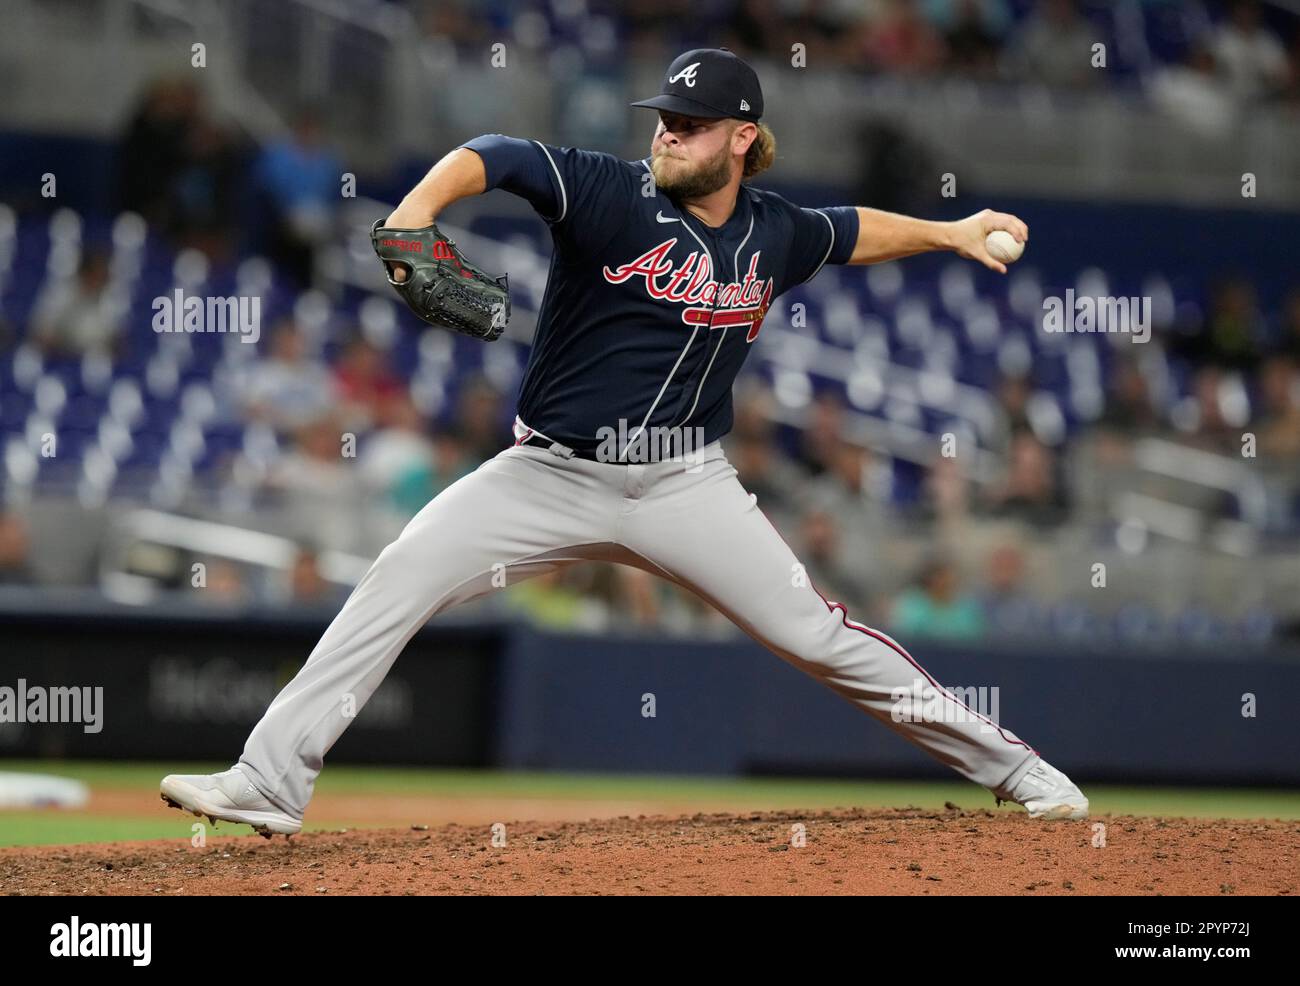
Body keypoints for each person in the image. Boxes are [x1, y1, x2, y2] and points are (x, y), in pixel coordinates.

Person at [161, 48, 1085, 836]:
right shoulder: (609, 194)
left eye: (690, 122)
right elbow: (498, 155)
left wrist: (950, 230)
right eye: (664, 118)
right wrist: (413, 214)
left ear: (742, 140)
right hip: (548, 474)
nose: (667, 132)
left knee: (820, 635)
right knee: (400, 573)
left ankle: (1021, 773)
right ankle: (271, 781)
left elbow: (852, 232)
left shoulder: (775, 231)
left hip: (687, 485)